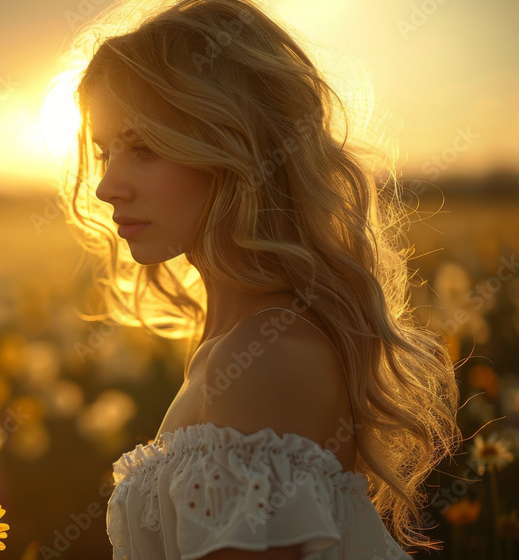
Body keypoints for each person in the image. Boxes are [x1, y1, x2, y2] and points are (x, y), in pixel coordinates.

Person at [49, 0, 463, 558]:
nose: (106, 187)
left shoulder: (268, 355)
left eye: (144, 148)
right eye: (105, 153)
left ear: (236, 148)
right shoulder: (239, 341)